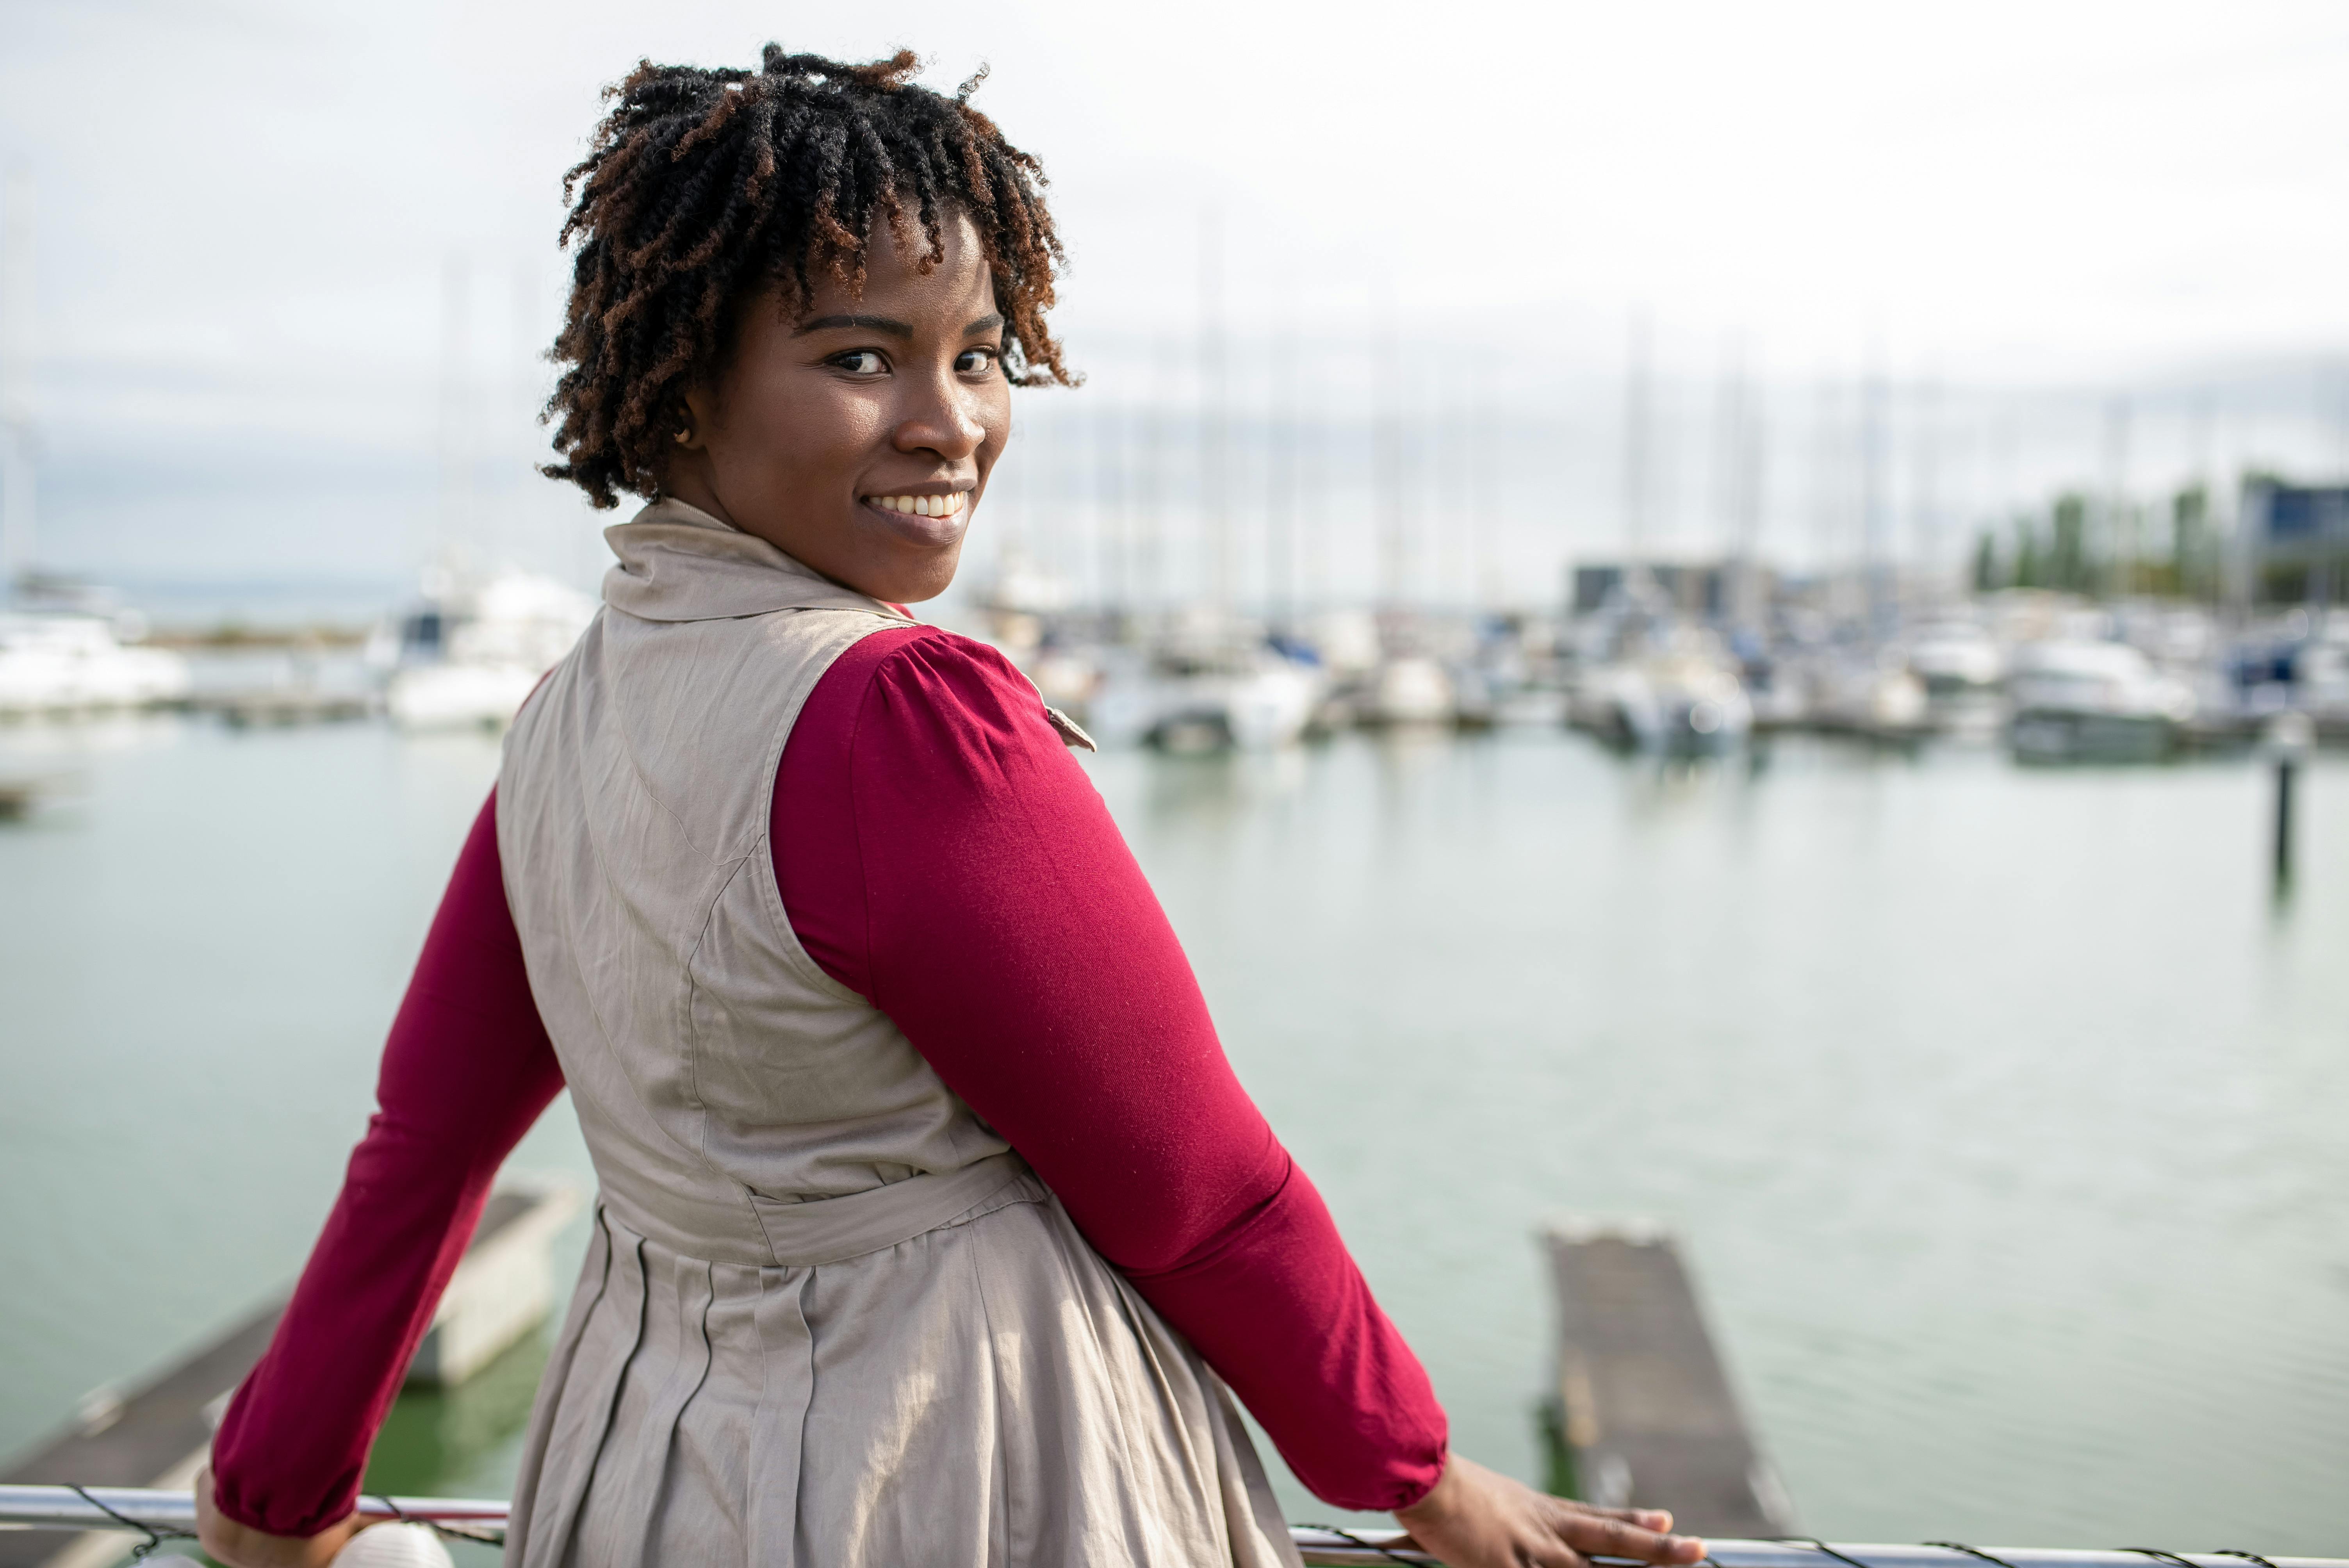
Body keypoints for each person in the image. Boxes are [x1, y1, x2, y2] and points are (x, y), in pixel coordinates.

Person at [194, 47, 1711, 1568]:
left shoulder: (560, 721)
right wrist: (1422, 1476)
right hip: (950, 1466)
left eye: (979, 355)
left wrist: (277, 1488)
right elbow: (1197, 1189)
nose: (951, 423)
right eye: (860, 358)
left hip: (639, 1473)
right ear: (675, 388)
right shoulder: (898, 721)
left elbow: (426, 1140)